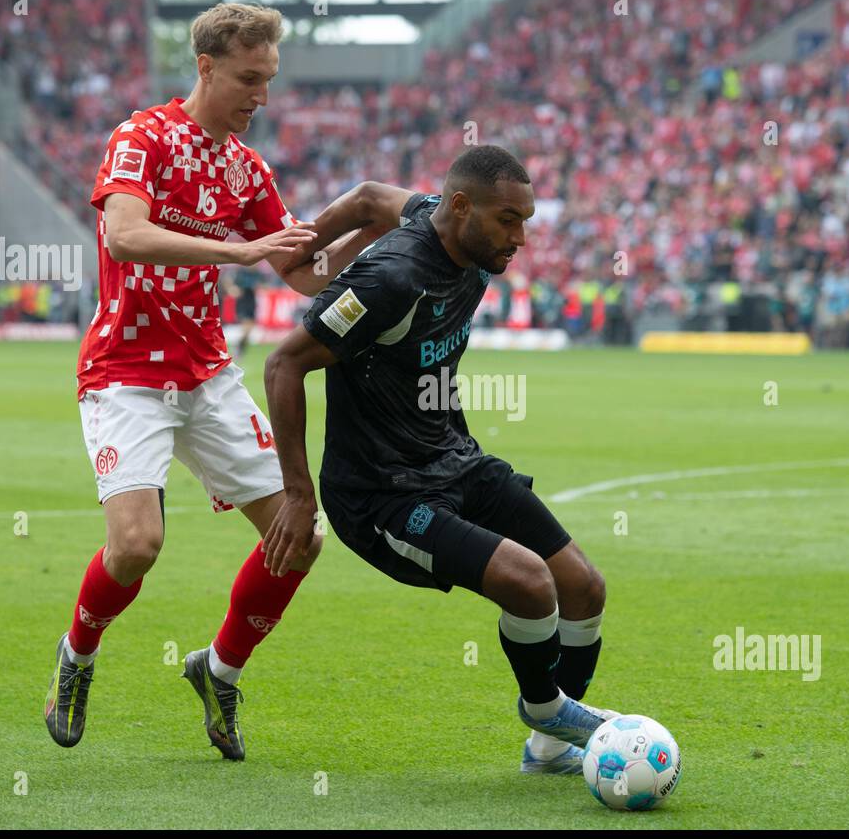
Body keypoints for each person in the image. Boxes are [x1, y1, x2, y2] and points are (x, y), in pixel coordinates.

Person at [44, 2, 394, 760]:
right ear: (206, 66)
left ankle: (220, 670)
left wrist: (382, 229)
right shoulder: (143, 136)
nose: (260, 97)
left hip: (205, 375)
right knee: (137, 545)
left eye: (267, 80)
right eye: (248, 78)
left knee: (299, 539)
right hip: (126, 372)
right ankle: (76, 657)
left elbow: (303, 272)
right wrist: (238, 253)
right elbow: (125, 233)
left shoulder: (247, 167)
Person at [262, 146, 614, 774]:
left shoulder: (445, 218)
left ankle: (553, 746)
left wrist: (302, 257)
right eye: (509, 220)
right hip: (380, 495)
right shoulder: (390, 280)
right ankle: (545, 709)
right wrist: (295, 493)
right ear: (461, 207)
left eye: (526, 220)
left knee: (583, 588)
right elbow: (284, 363)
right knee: (530, 584)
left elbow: (370, 195)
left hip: (453, 459)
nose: (522, 238)